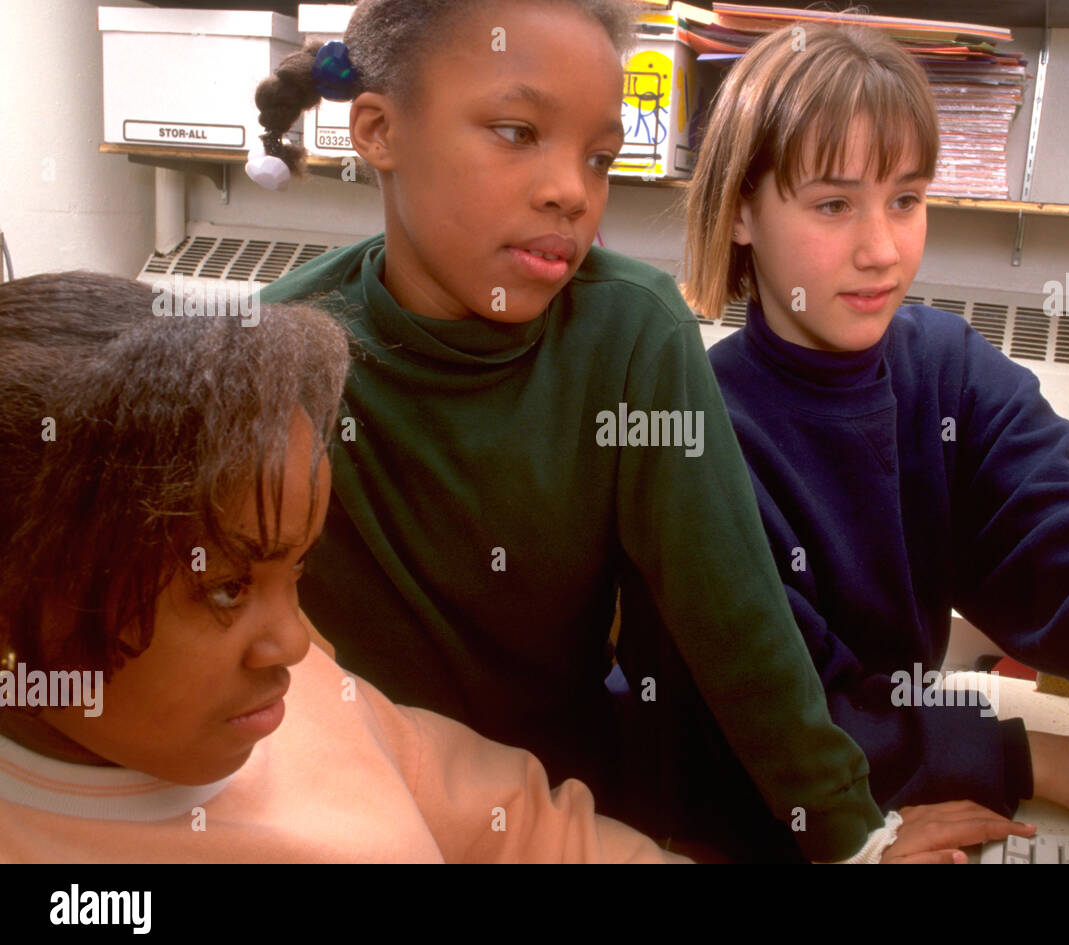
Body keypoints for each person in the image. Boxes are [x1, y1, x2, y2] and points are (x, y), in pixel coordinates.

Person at [249, 0, 1003, 863]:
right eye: (515, 130)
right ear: (379, 130)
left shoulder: (633, 333)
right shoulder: (278, 348)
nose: (572, 189)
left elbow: (733, 620)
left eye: (599, 157)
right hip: (348, 809)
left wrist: (849, 834)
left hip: (572, 818)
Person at [685, 22, 1069, 854]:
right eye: (833, 204)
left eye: (906, 199)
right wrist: (1026, 759)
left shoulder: (945, 368)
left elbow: (1062, 535)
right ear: (741, 214)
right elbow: (768, 724)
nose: (882, 249)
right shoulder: (706, 436)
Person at [0, 270, 683, 863]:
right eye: (227, 589)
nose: (298, 644)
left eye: (296, 571)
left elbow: (523, 829)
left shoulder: (302, 704)